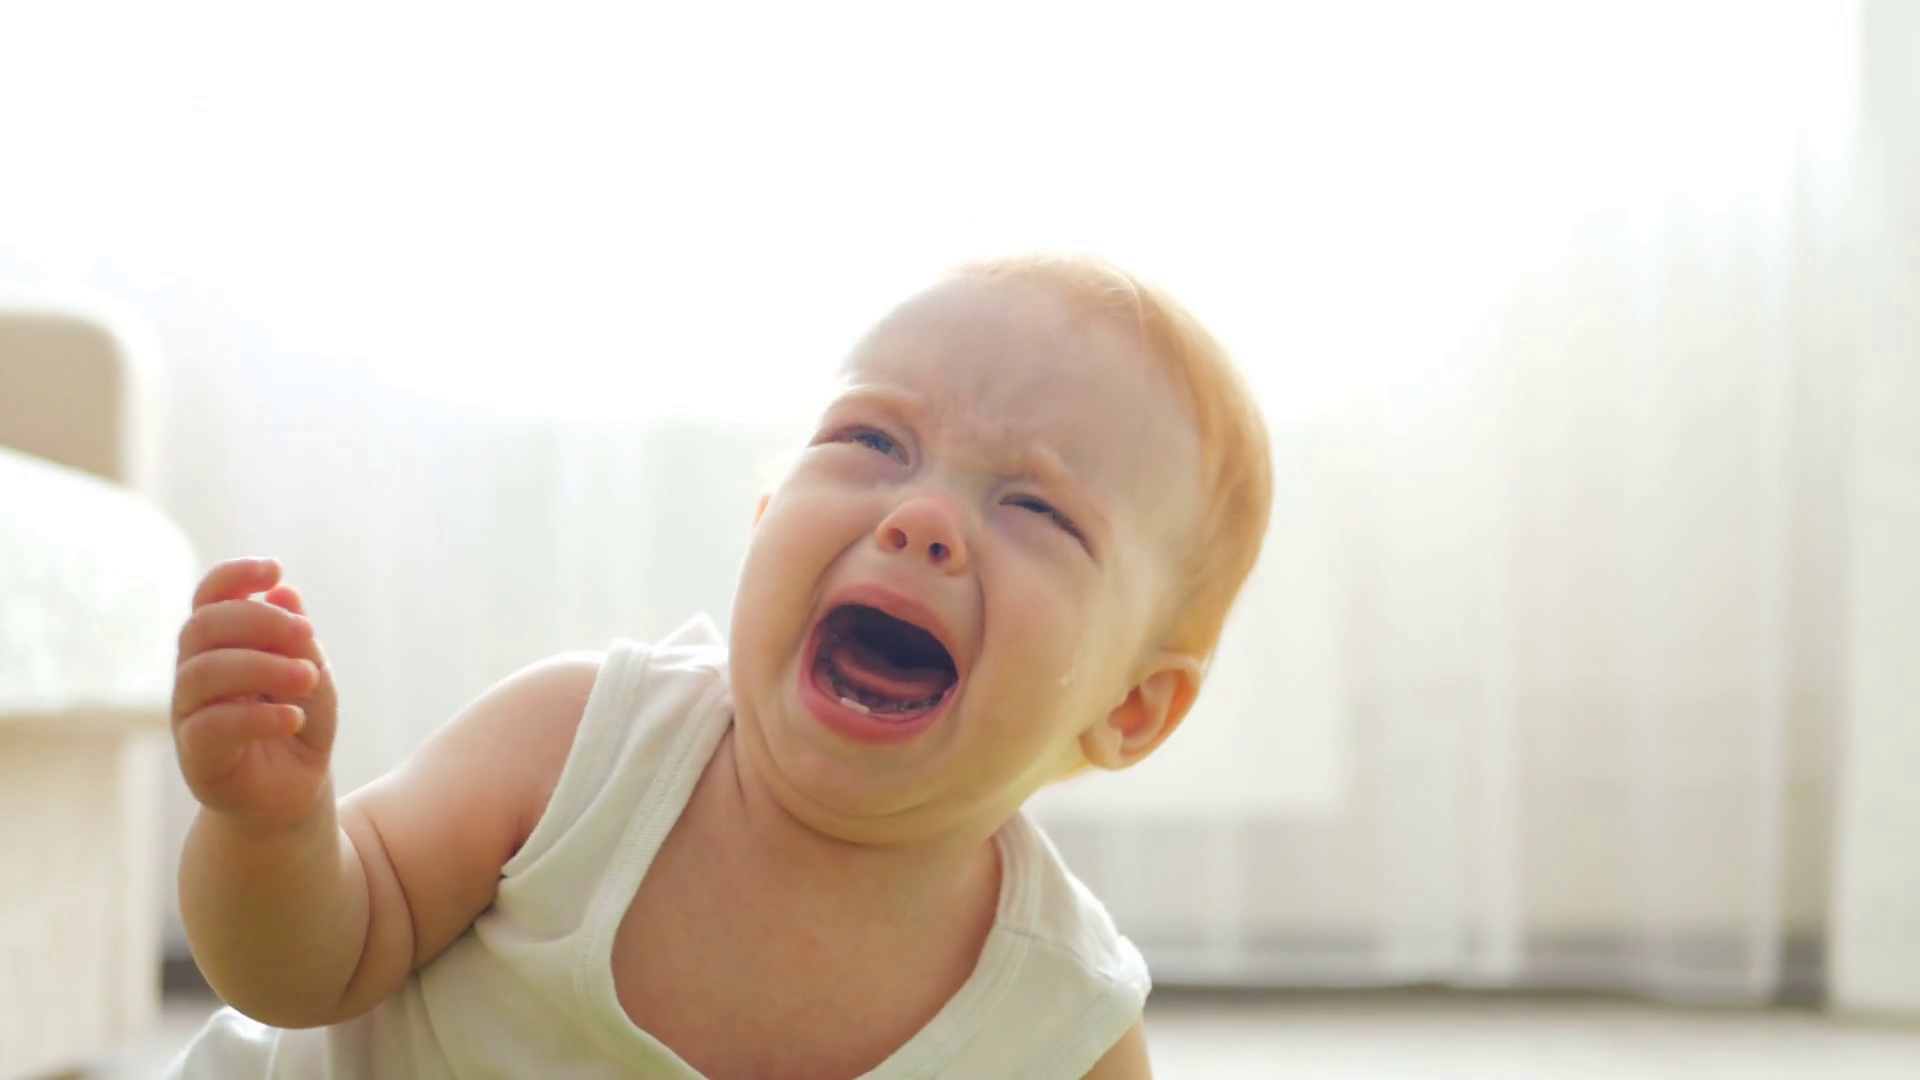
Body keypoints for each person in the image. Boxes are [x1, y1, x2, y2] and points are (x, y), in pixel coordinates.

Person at [165, 254, 1273, 1079]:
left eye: (1035, 506)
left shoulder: (1064, 1027)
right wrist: (272, 833)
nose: (923, 518)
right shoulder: (582, 748)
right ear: (763, 520)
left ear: (1134, 707)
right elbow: (299, 971)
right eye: (873, 441)